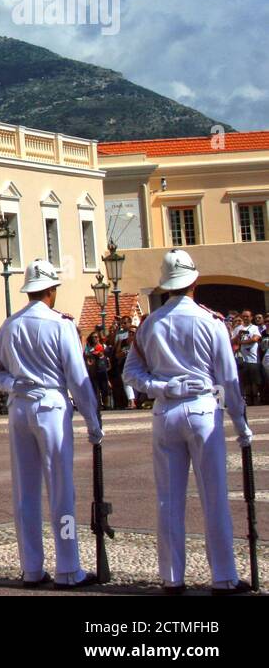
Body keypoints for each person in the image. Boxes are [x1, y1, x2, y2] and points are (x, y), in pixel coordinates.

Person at [124, 249, 254, 595]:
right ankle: (223, 577)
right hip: (201, 410)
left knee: (169, 499)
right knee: (214, 496)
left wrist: (160, 386)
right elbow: (229, 380)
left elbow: (132, 372)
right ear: (194, 281)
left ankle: (171, 577)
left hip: (166, 410)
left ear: (166, 285)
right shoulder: (210, 322)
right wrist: (240, 424)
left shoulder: (151, 324)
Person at [0, 260, 103, 588]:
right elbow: (78, 379)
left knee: (25, 492)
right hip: (51, 405)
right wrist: (92, 421)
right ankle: (68, 568)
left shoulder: (9, 325)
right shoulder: (61, 325)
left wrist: (14, 384)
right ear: (51, 291)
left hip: (19, 407)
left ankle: (32, 568)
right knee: (61, 489)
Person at [231, 310, 262, 408]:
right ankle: (248, 400)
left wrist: (242, 343)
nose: (245, 318)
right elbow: (232, 341)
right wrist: (238, 336)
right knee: (245, 381)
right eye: (243, 316)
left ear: (251, 317)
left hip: (253, 359)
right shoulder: (238, 329)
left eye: (247, 316)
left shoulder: (254, 328)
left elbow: (255, 339)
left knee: (254, 381)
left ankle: (256, 400)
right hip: (241, 359)